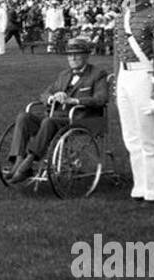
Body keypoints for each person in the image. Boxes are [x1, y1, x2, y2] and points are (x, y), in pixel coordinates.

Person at [7, 38, 110, 183]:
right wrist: (52, 97)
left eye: (77, 54)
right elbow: (44, 94)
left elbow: (101, 99)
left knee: (49, 122)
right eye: (70, 55)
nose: (72, 58)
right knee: (23, 117)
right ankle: (18, 160)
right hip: (55, 117)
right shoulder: (64, 75)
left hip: (81, 119)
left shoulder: (98, 74)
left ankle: (28, 162)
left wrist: (75, 101)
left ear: (86, 55)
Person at [113, 0, 154, 203]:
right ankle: (140, 184)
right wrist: (116, 81)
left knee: (148, 136)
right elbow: (117, 54)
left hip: (144, 76)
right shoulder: (121, 19)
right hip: (126, 77)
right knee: (131, 136)